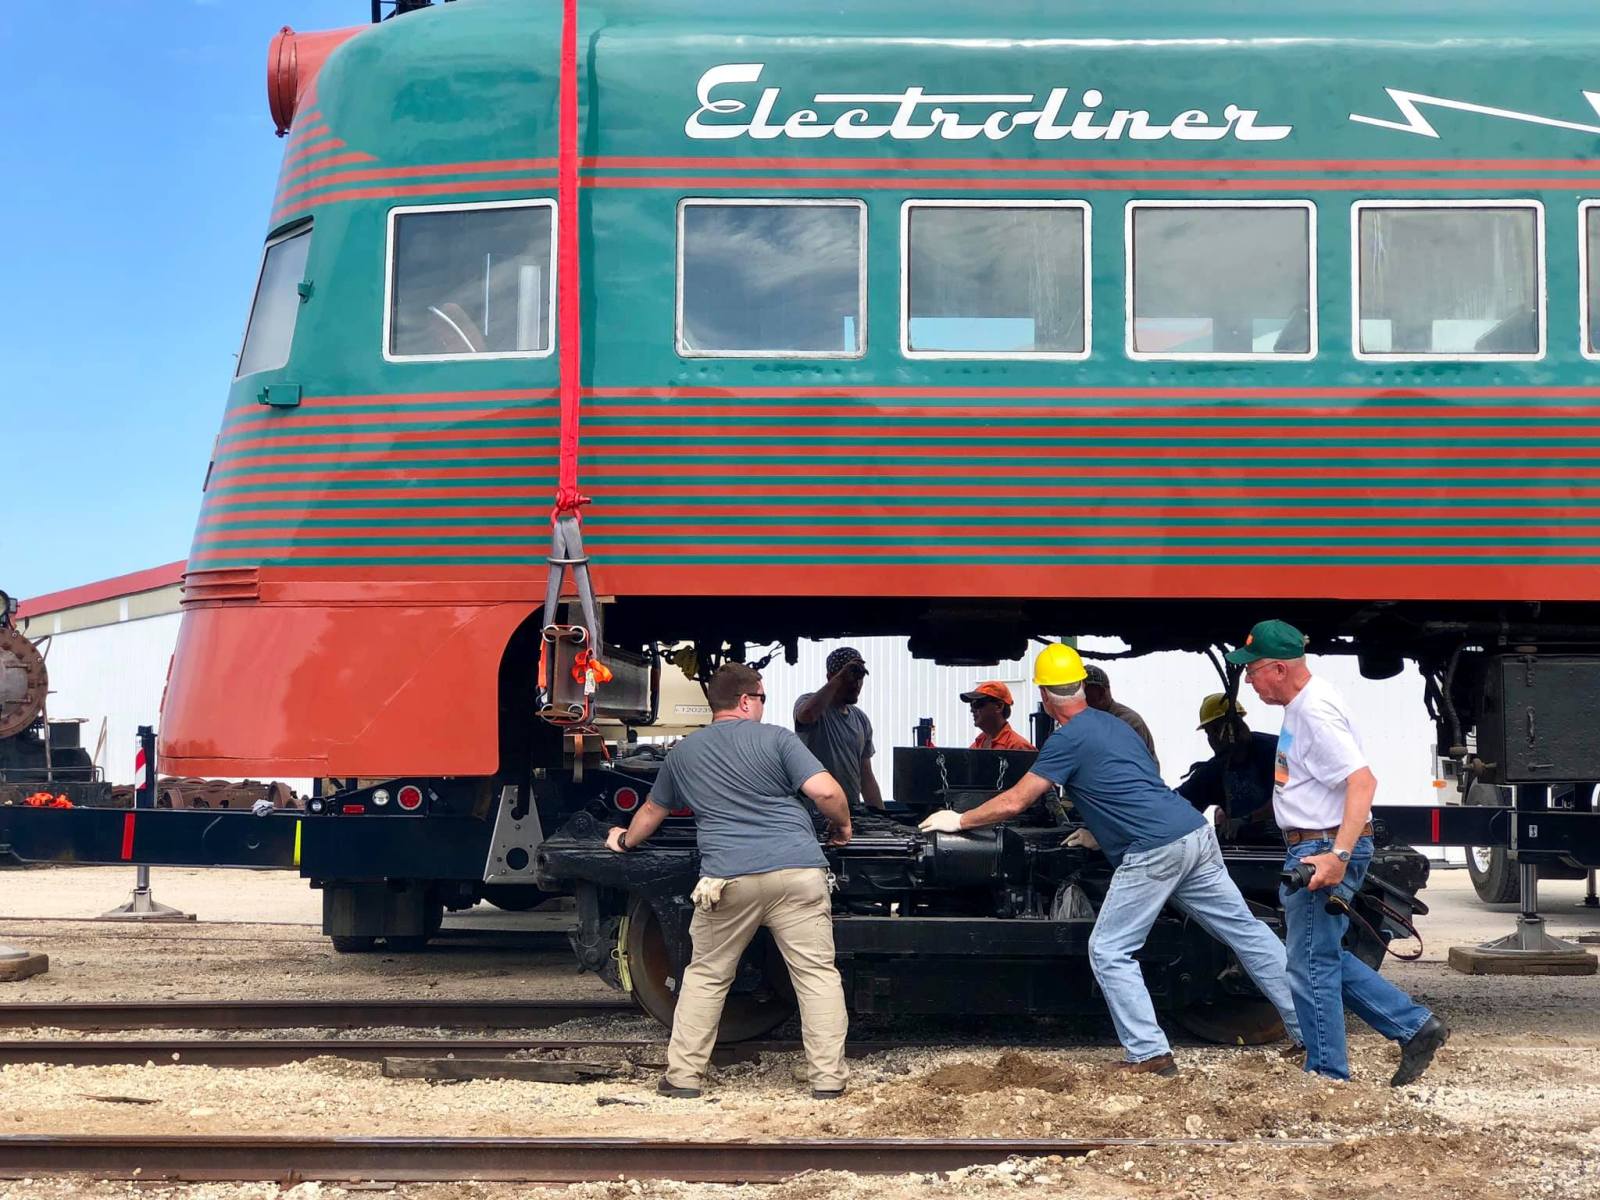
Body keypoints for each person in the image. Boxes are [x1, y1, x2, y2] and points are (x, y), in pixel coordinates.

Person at [918, 642, 1301, 1076]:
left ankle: (1149, 1054)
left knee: (1110, 949)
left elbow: (1016, 802)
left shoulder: (1067, 738)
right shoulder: (1115, 726)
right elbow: (1131, 785)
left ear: (1044, 696)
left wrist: (960, 820)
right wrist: (1101, 832)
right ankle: (1311, 1032)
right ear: (1081, 686)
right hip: (1194, 835)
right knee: (1246, 932)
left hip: (1153, 850)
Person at [606, 662, 853, 1100]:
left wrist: (623, 841)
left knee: (705, 976)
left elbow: (651, 813)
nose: (763, 707)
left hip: (727, 879)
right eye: (763, 699)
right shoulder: (778, 739)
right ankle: (827, 1080)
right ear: (746, 700)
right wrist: (843, 828)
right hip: (797, 873)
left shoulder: (684, 752)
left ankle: (682, 1078)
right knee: (816, 976)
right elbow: (827, 793)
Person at [1231, 618, 1449, 1086]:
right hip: (1316, 843)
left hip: (1321, 846)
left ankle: (1327, 1073)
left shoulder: (1314, 712)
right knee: (1316, 954)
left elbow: (1362, 782)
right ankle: (1413, 1026)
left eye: (1253, 670)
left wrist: (1338, 856)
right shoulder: (1304, 704)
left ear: (1279, 669)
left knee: (1310, 961)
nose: (1247, 680)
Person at [1177, 693, 1279, 840]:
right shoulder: (1215, 770)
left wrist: (1247, 819)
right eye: (1208, 733)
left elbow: (1289, 797)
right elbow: (1180, 806)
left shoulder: (1273, 751)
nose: (1211, 739)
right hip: (1242, 853)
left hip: (1287, 845)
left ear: (1232, 728)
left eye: (1213, 731)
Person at [794, 646, 884, 811]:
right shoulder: (809, 704)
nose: (856, 684)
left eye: (860, 677)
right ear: (830, 678)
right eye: (850, 678)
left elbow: (866, 776)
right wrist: (840, 677)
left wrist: (881, 815)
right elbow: (806, 715)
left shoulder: (861, 720)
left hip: (850, 813)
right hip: (813, 814)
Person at [1083, 664, 1159, 769]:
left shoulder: (1128, 722)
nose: (1082, 704)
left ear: (1102, 694)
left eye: (1088, 698)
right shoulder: (1088, 719)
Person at [961, 681, 1034, 750]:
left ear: (999, 706)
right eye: (971, 704)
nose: (972, 710)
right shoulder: (976, 745)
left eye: (977, 704)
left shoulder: (1018, 746)